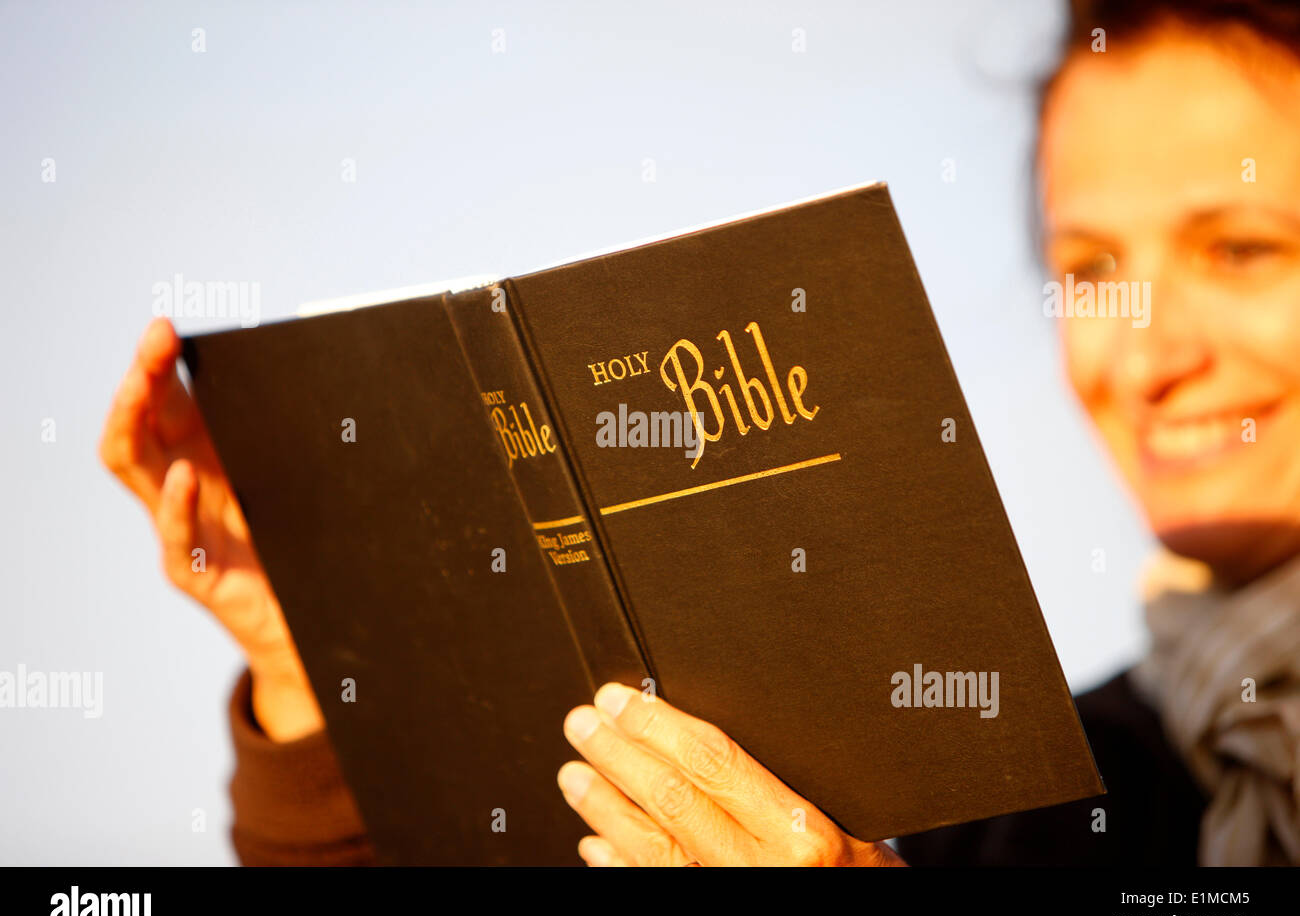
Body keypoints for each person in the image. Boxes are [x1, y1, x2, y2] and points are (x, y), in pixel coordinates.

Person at [99, 0, 1300, 866]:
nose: (1142, 355)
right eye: (1089, 268)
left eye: (1241, 249)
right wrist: (308, 656)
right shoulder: (1028, 795)